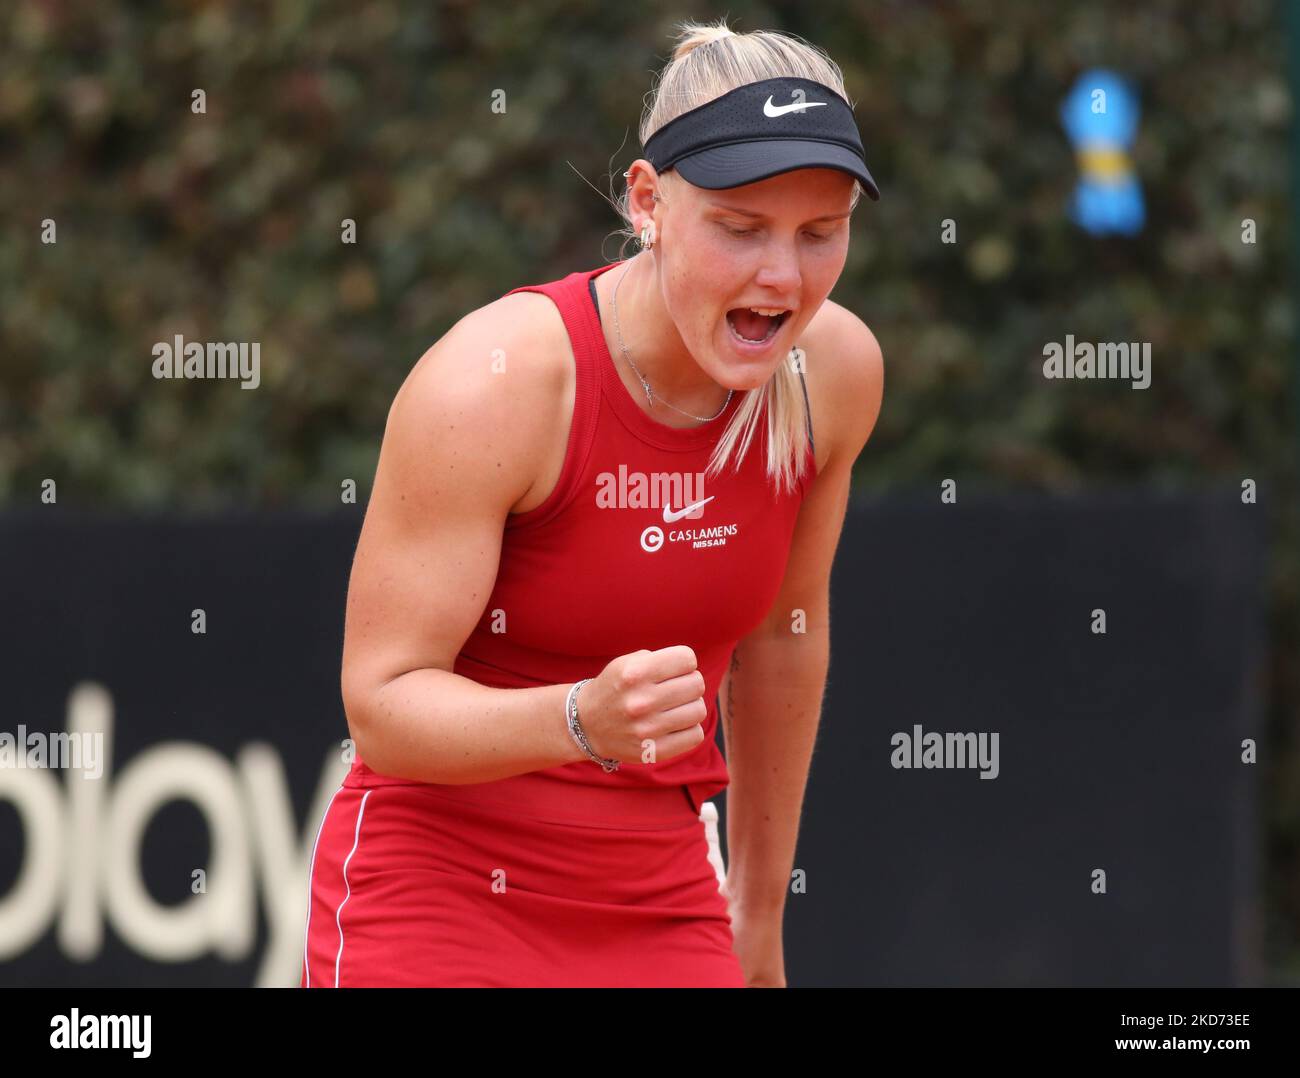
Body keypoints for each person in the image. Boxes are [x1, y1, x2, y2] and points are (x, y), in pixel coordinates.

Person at [300, 17, 884, 988]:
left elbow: (786, 634)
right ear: (649, 202)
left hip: (659, 897)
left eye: (820, 235)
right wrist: (576, 719)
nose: (782, 276)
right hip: (434, 888)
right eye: (740, 229)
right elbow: (382, 705)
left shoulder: (837, 374)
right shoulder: (495, 384)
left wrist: (756, 908)